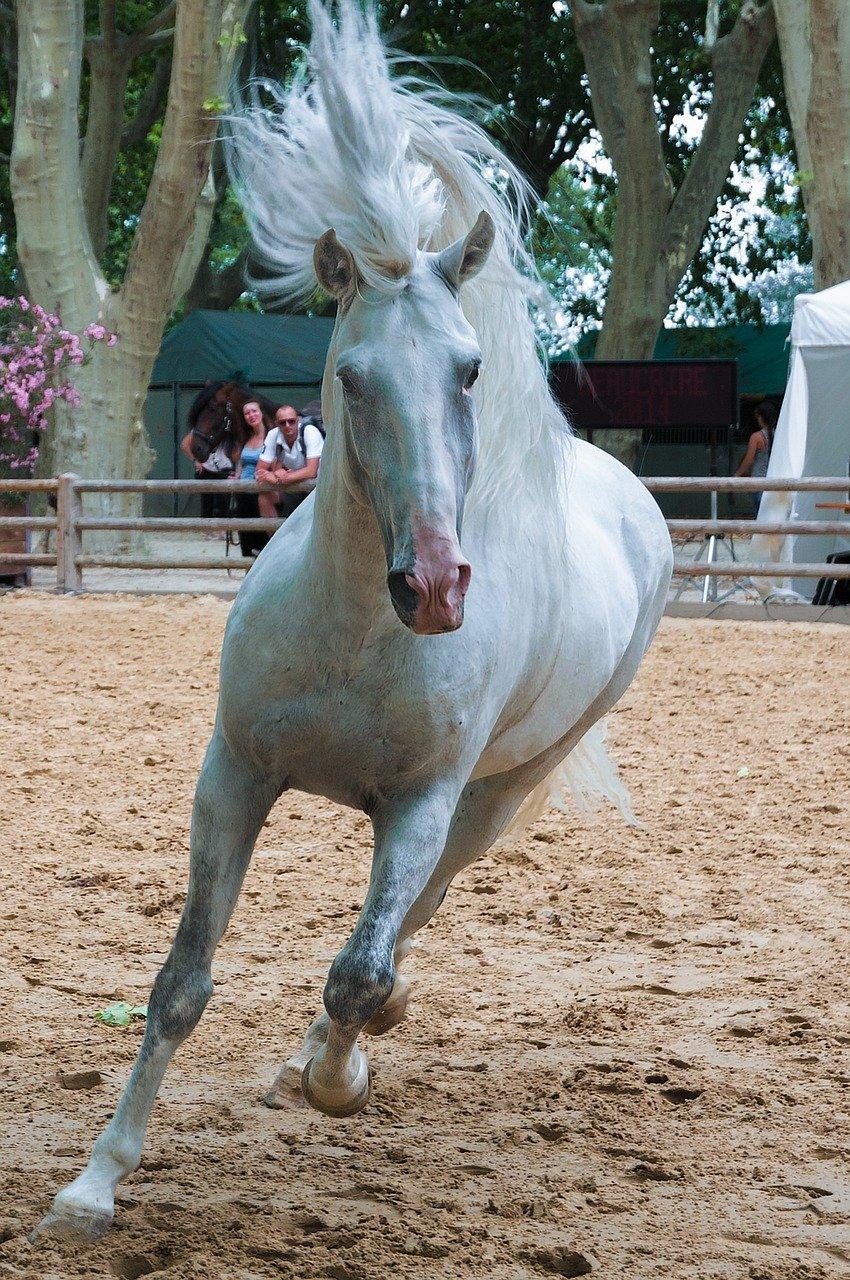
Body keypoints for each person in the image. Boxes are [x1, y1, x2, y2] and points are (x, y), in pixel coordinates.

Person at [180, 380, 246, 530]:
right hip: (207, 467)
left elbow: (238, 450)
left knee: (223, 502)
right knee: (207, 502)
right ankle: (207, 531)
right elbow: (185, 444)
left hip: (224, 468)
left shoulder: (228, 426)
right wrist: (196, 460)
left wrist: (237, 469)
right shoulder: (203, 427)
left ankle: (222, 530)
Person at [256, 403, 324, 519]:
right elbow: (260, 471)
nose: (287, 426)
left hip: (318, 488)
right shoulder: (273, 434)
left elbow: (312, 471)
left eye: (291, 421)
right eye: (282, 422)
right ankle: (275, 531)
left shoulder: (310, 431)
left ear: (298, 420)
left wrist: (278, 478)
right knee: (264, 497)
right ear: (277, 424)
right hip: (294, 485)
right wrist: (276, 474)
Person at [234, 400, 274, 558]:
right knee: (246, 538)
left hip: (262, 493)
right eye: (247, 413)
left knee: (262, 538)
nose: (251, 415)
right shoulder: (245, 437)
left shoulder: (272, 436)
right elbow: (241, 463)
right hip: (243, 493)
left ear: (261, 412)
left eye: (254, 411)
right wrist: (236, 476)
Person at [735, 400, 778, 517]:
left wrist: (737, 474)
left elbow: (749, 460)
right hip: (775, 480)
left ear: (761, 417)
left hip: (758, 481)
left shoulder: (756, 437)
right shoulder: (779, 435)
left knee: (760, 516)